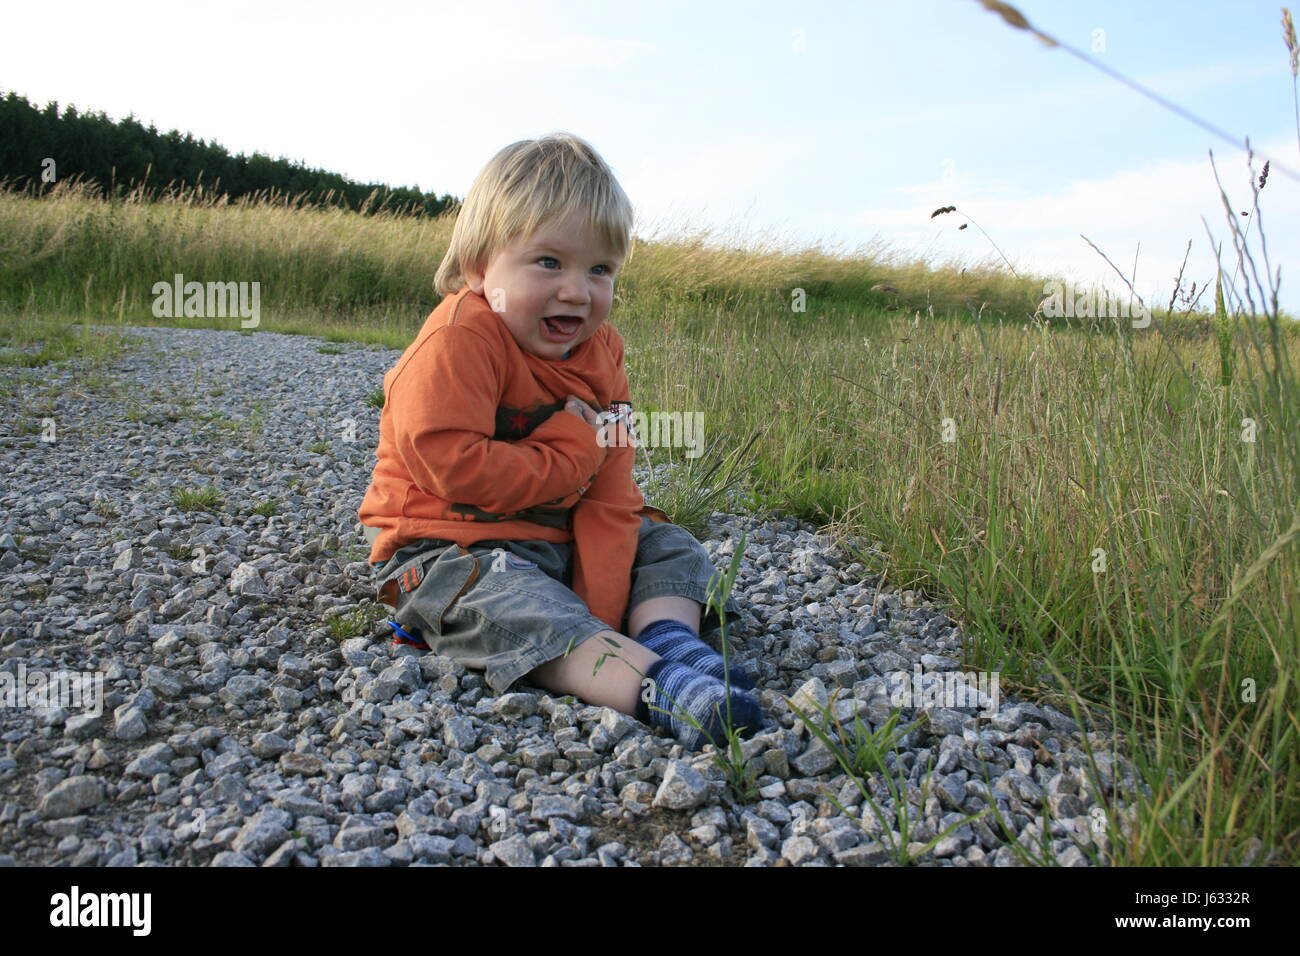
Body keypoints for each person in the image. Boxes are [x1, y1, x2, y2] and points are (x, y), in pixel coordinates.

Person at [358, 132, 767, 750]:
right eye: (549, 262)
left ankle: (665, 640)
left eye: (599, 269)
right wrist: (572, 445)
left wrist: (605, 597)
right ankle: (656, 688)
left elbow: (611, 484)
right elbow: (455, 468)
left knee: (667, 544)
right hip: (449, 541)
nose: (577, 290)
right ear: (480, 268)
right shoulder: (457, 343)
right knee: (512, 601)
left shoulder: (603, 350)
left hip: (555, 530)